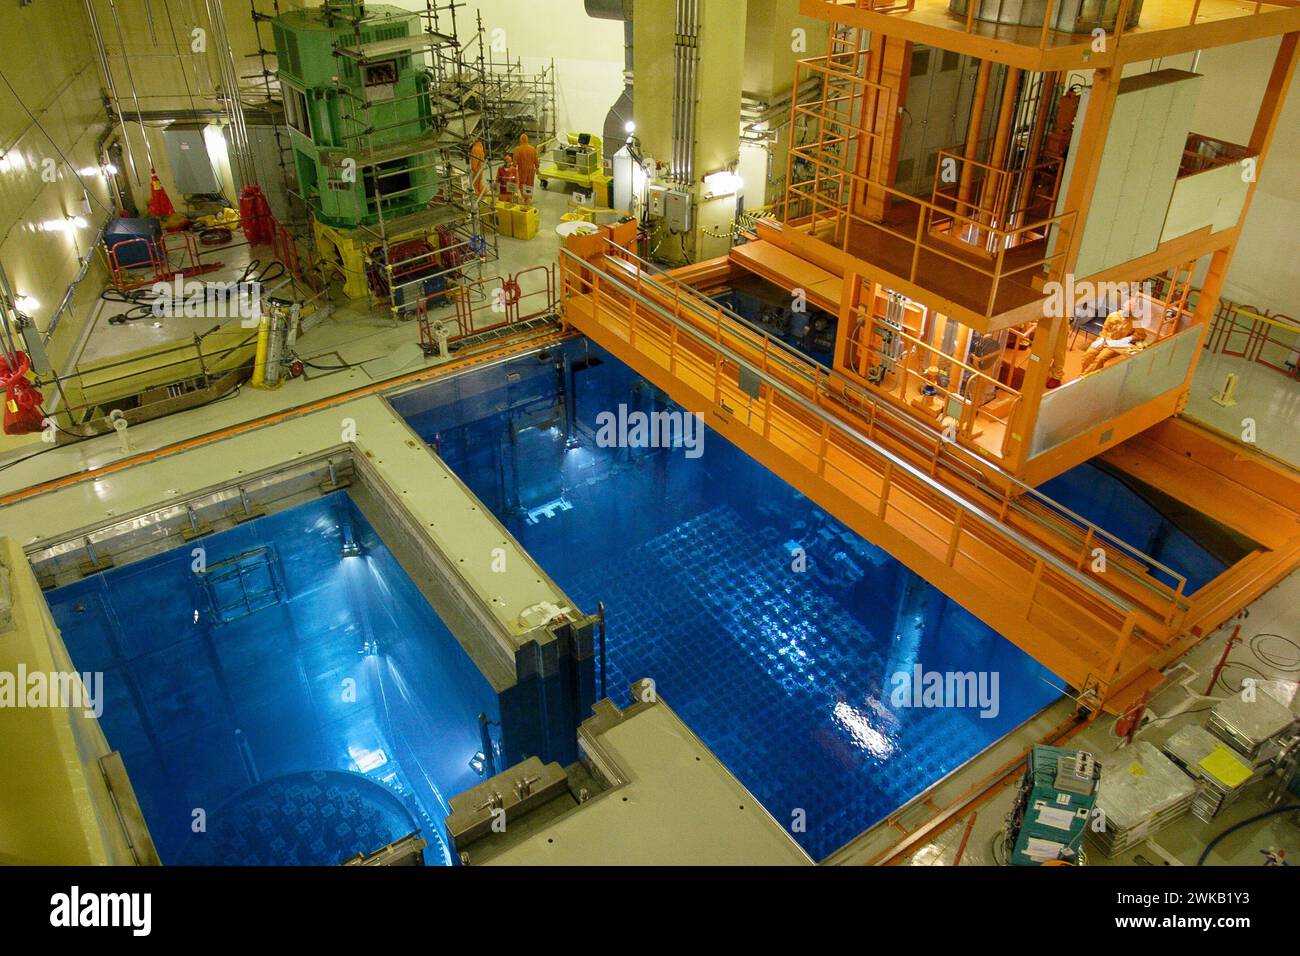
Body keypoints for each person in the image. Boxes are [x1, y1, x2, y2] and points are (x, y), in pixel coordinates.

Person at [513, 133, 539, 205]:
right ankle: (529, 199)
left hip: (522, 170)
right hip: (531, 170)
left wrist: (512, 169)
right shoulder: (532, 148)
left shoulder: (518, 149)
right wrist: (537, 168)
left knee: (522, 184)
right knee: (529, 185)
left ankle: (524, 198)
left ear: (520, 140)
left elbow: (515, 163)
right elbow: (536, 160)